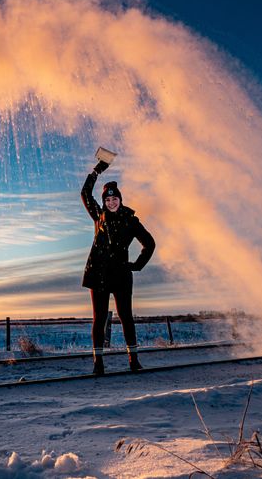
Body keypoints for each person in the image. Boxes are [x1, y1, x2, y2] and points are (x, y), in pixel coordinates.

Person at [81, 158, 156, 376]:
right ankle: (98, 363)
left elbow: (149, 243)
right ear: (103, 201)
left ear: (120, 200)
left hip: (121, 274)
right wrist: (96, 171)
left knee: (126, 316)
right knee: (99, 318)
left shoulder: (130, 220)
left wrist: (137, 265)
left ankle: (134, 361)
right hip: (99, 274)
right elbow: (85, 193)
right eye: (108, 199)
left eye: (115, 198)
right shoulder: (99, 216)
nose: (112, 202)